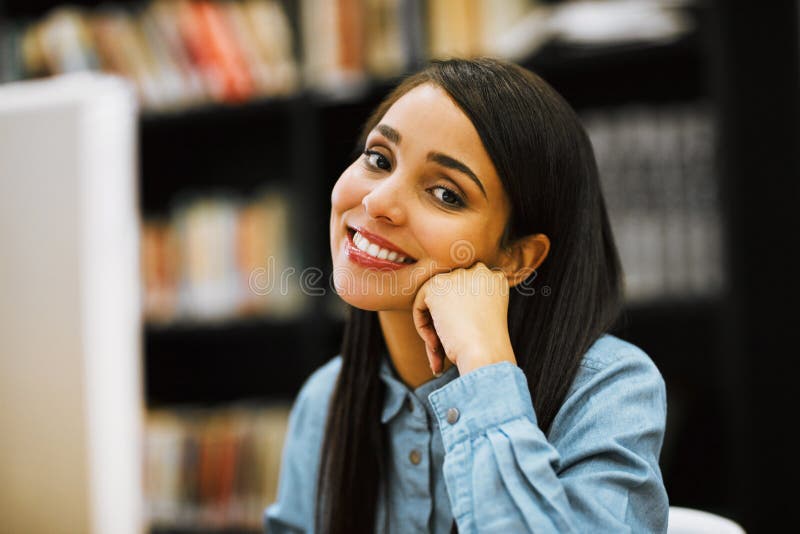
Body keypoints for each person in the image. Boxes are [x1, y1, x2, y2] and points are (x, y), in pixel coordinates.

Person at [264, 57, 668, 533]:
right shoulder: (326, 400)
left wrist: (483, 364)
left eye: (446, 194)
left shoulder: (611, 391)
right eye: (378, 159)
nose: (377, 202)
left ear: (517, 258)